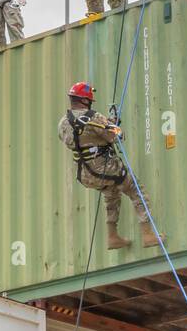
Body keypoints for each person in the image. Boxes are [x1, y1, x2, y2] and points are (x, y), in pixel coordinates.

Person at [58, 82, 161, 250]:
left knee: (112, 194)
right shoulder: (93, 116)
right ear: (86, 100)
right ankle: (148, 234)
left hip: (84, 174)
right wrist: (114, 124)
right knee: (135, 190)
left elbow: (75, 139)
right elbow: (117, 136)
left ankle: (112, 237)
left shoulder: (63, 122)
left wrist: (103, 128)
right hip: (103, 168)